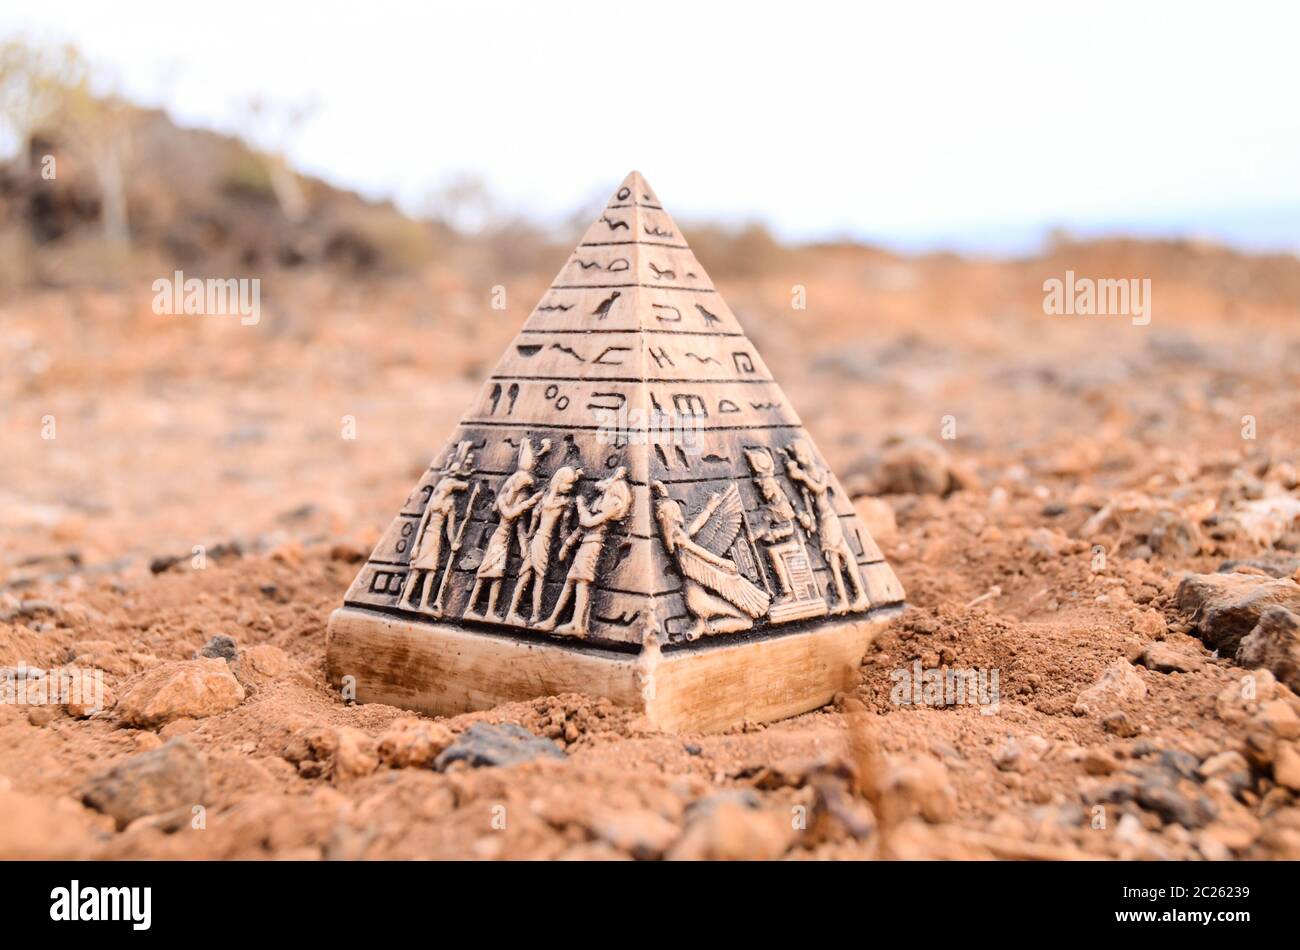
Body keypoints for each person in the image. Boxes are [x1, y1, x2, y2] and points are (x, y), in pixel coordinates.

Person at [536, 467, 631, 637]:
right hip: (585, 545)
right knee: (571, 581)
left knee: (582, 582)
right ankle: (554, 620)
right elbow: (582, 529)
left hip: (592, 547)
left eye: (607, 483)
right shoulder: (602, 500)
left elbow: (588, 522)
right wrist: (568, 544)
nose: (600, 485)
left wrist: (580, 506)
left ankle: (577, 624)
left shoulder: (614, 503)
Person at [784, 439, 869, 613]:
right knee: (835, 561)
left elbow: (820, 488)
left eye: (802, 455)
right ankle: (846, 598)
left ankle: (856, 596)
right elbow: (808, 502)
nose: (801, 459)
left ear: (808, 453)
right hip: (821, 521)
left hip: (829, 518)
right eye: (797, 456)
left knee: (838, 557)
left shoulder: (818, 471)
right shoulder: (804, 474)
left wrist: (802, 477)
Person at [505, 465, 581, 627]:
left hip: (540, 541)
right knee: (534, 577)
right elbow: (559, 530)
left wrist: (565, 546)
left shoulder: (556, 500)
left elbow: (557, 529)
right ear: (558, 481)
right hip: (541, 542)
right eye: (568, 484)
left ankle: (527, 613)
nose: (570, 488)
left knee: (531, 577)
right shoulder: (558, 501)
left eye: (572, 485)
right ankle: (527, 613)